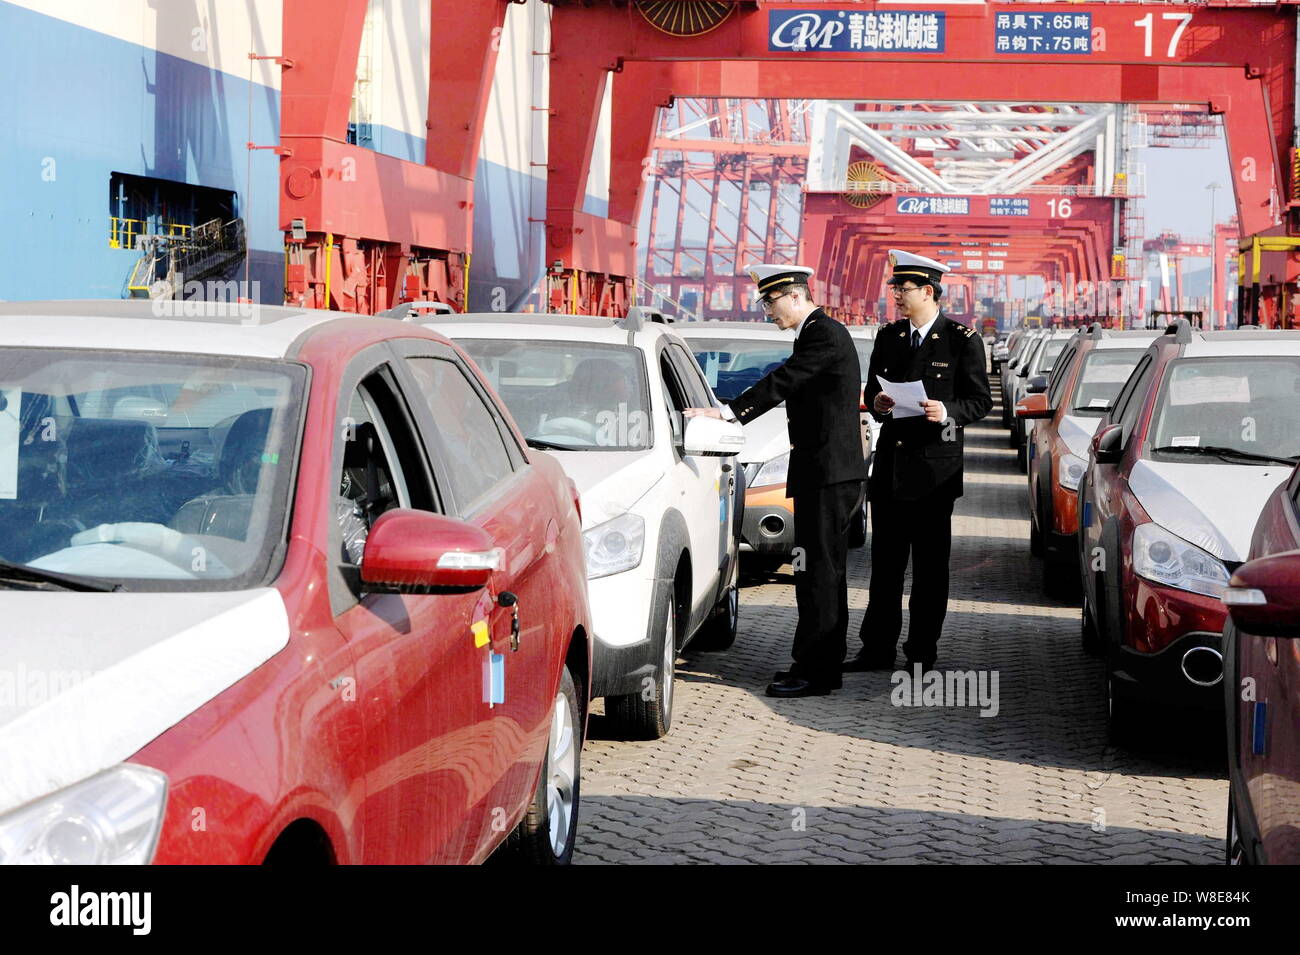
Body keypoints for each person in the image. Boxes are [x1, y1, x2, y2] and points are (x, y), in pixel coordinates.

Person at [685, 264, 866, 698]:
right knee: (820, 572)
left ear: (795, 295)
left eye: (770, 301)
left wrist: (729, 412)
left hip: (827, 475)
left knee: (818, 573)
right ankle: (821, 664)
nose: (768, 311)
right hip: (824, 473)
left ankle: (817, 672)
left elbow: (784, 381)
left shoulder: (823, 333)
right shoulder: (817, 333)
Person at [845, 250, 992, 674]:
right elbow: (873, 392)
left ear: (928, 292)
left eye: (902, 289)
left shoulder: (962, 340)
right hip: (891, 470)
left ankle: (921, 652)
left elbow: (979, 400)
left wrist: (947, 412)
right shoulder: (889, 336)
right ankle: (875, 649)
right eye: (894, 289)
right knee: (885, 569)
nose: (896, 296)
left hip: (934, 474)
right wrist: (880, 402)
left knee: (929, 571)